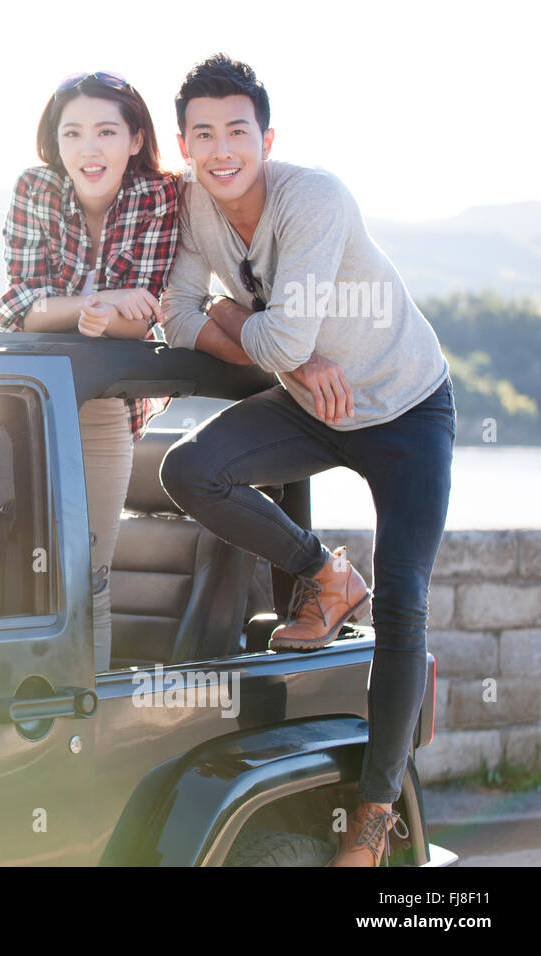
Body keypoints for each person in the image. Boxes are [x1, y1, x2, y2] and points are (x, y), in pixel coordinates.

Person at [157, 54, 454, 866]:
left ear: (266, 137)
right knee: (190, 469)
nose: (222, 150)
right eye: (203, 134)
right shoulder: (192, 206)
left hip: (404, 407)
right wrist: (279, 355)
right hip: (311, 404)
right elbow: (176, 315)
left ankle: (372, 815)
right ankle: (324, 572)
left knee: (402, 604)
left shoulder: (313, 196)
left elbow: (276, 333)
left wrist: (242, 320)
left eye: (237, 132)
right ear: (184, 144)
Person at [0, 70, 179, 671]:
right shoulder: (35, 190)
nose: (87, 150)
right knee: (14, 556)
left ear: (135, 138)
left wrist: (76, 312)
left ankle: (85, 700)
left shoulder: (159, 198)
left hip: (103, 404)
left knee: (86, 568)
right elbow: (19, 307)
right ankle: (12, 695)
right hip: (23, 401)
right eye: (72, 134)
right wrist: (94, 308)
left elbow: (144, 315)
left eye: (104, 132)